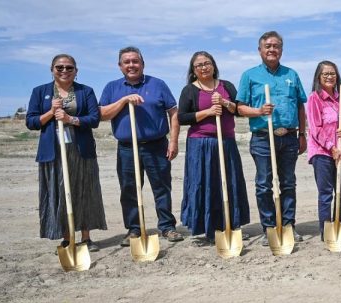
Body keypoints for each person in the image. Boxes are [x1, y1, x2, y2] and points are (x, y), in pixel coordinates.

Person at [99, 46, 184, 246]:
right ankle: (134, 230)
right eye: (126, 62)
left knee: (161, 187)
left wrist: (173, 141)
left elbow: (173, 112)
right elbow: (102, 114)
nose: (131, 65)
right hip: (127, 148)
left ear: (142, 64)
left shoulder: (158, 84)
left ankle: (167, 227)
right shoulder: (112, 88)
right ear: (120, 66)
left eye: (135, 61)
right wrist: (123, 100)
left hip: (157, 145)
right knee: (129, 189)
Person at [26, 54, 107, 252]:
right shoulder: (40, 92)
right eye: (59, 67)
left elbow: (94, 119)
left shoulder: (85, 91)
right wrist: (51, 113)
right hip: (53, 150)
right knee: (60, 192)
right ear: (52, 69)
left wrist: (70, 119)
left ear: (76, 71)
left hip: (81, 149)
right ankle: (66, 237)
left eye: (69, 67)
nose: (64, 71)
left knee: (84, 190)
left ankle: (86, 237)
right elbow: (31, 122)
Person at [236, 31, 307, 246]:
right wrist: (258, 112)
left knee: (288, 182)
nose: (272, 49)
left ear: (281, 50)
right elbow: (239, 107)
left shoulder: (291, 74)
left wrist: (303, 134)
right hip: (262, 138)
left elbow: (300, 106)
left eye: (276, 46)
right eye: (267, 46)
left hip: (289, 137)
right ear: (260, 50)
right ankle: (268, 227)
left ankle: (288, 225)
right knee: (264, 183)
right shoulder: (249, 75)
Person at [177, 51, 251, 243]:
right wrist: (208, 111)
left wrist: (226, 103)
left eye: (207, 63)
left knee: (228, 182)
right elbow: (182, 117)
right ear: (193, 70)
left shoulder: (226, 86)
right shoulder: (190, 90)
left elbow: (239, 111)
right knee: (204, 184)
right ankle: (207, 227)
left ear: (213, 65)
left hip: (226, 142)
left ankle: (231, 224)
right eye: (199, 65)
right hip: (200, 144)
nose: (204, 67)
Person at [306, 61, 341, 240]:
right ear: (319, 77)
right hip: (323, 153)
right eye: (325, 74)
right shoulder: (314, 98)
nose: (329, 77)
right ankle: (326, 231)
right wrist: (331, 147)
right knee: (326, 193)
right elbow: (315, 128)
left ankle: (338, 225)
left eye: (332, 73)